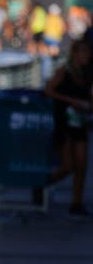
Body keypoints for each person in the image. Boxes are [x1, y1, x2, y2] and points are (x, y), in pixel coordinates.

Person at [45, 39, 92, 218]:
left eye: (88, 53)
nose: (86, 56)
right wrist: (70, 101)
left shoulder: (88, 74)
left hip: (80, 121)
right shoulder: (65, 71)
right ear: (75, 54)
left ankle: (77, 202)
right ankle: (42, 184)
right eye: (83, 53)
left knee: (81, 164)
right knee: (68, 165)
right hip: (64, 121)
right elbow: (49, 91)